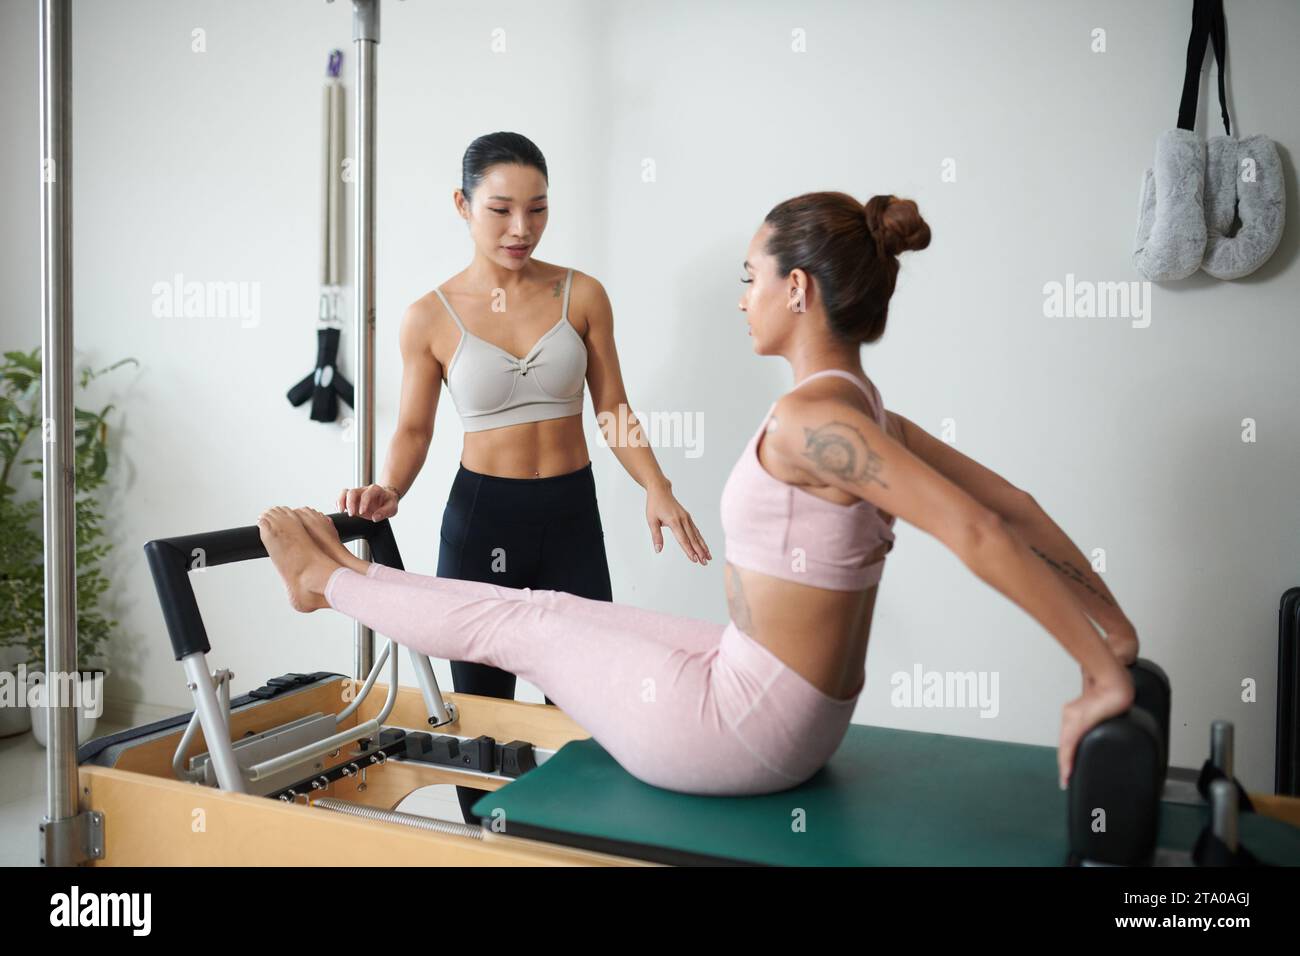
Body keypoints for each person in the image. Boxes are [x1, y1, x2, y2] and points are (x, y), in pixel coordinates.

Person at [271, 190, 1139, 795]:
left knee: (519, 624)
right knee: (549, 609)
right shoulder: (869, 413)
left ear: (796, 290)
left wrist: (1102, 673)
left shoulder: (813, 428)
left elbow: (986, 530)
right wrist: (1118, 626)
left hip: (747, 731)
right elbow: (1018, 504)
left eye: (750, 277)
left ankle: (329, 584)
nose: (741, 300)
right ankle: (348, 581)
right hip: (771, 697)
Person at [335, 132, 710, 820]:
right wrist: (391, 486)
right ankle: (489, 845)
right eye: (501, 209)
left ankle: (578, 843)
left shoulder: (582, 294)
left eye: (537, 210)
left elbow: (614, 409)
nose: (521, 229)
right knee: (483, 714)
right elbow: (415, 431)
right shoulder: (429, 316)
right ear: (462, 205)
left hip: (571, 517)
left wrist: (657, 486)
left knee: (583, 705)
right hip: (482, 521)